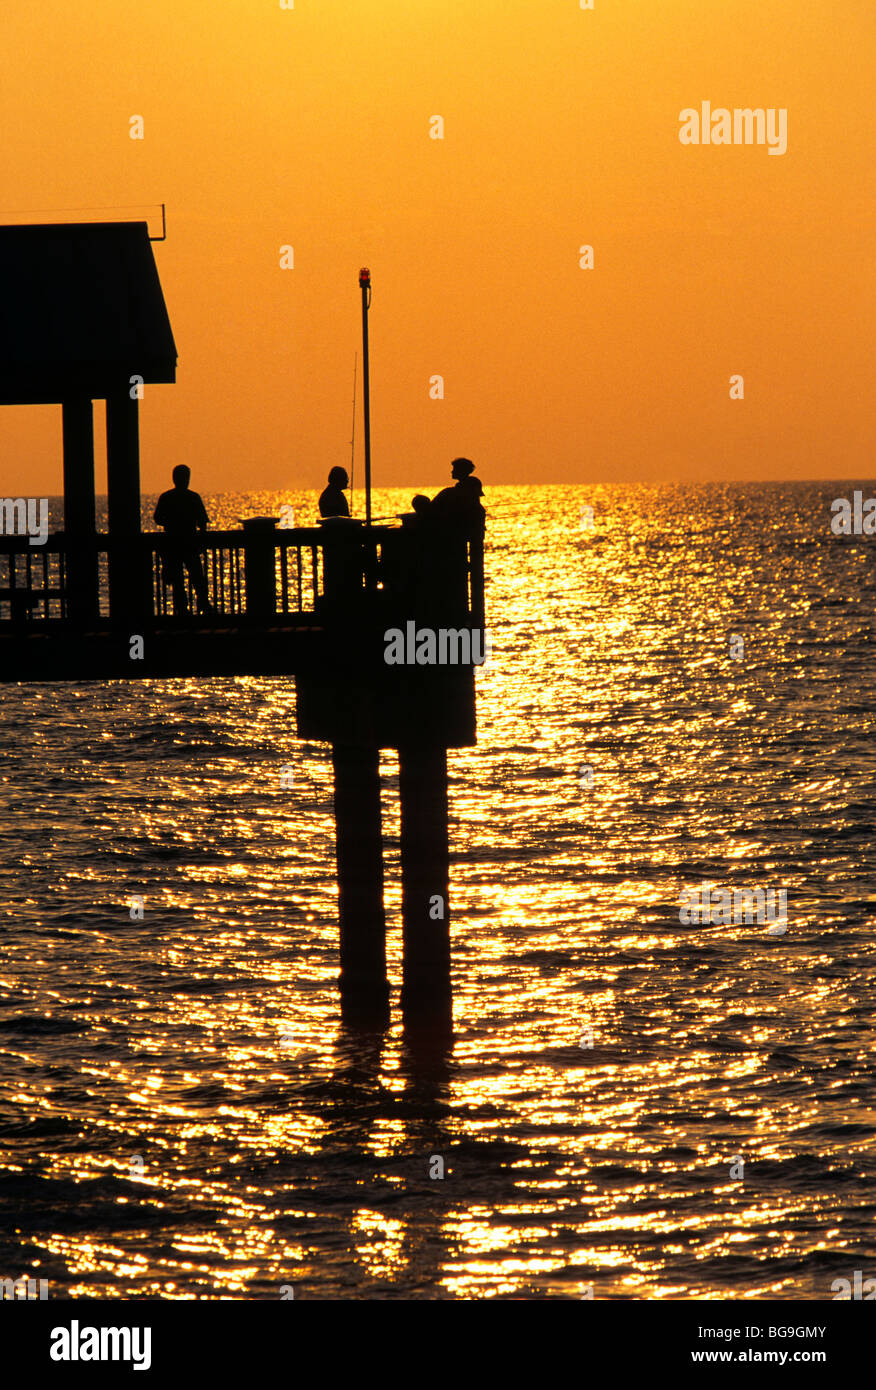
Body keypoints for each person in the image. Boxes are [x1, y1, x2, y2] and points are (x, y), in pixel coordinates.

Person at [153, 464, 213, 615]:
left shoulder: (167, 497)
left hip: (173, 544)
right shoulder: (193, 497)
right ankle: (203, 605)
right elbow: (203, 522)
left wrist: (171, 523)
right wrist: (202, 541)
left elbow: (158, 519)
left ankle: (182, 609)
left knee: (178, 579)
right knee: (197, 577)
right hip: (190, 543)